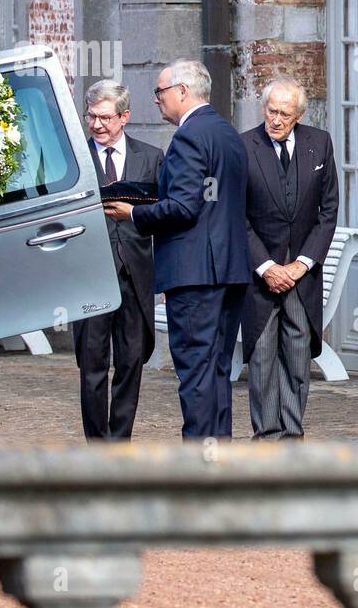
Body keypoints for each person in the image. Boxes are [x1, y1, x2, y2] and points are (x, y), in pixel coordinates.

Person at [105, 60, 250, 439]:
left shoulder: (189, 137)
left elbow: (185, 207)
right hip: (228, 270)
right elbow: (213, 199)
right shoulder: (226, 133)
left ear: (183, 91)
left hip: (194, 274)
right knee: (216, 369)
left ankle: (199, 464)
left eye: (160, 92)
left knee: (196, 373)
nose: (156, 100)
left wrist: (133, 212)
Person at [240, 78, 339, 440]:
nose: (276, 119)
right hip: (260, 277)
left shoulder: (320, 143)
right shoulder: (243, 146)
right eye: (271, 110)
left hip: (302, 277)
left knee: (298, 358)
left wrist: (301, 265)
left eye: (284, 113)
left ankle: (293, 435)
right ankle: (266, 436)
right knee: (262, 358)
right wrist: (267, 268)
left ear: (299, 115)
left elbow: (328, 212)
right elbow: (237, 216)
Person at [74, 80, 163, 441]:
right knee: (92, 364)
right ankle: (97, 445)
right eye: (91, 116)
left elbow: (165, 216)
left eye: (105, 117)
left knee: (131, 362)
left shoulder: (151, 157)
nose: (96, 125)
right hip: (90, 276)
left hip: (135, 275)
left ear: (125, 117)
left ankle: (120, 441)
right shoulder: (75, 157)